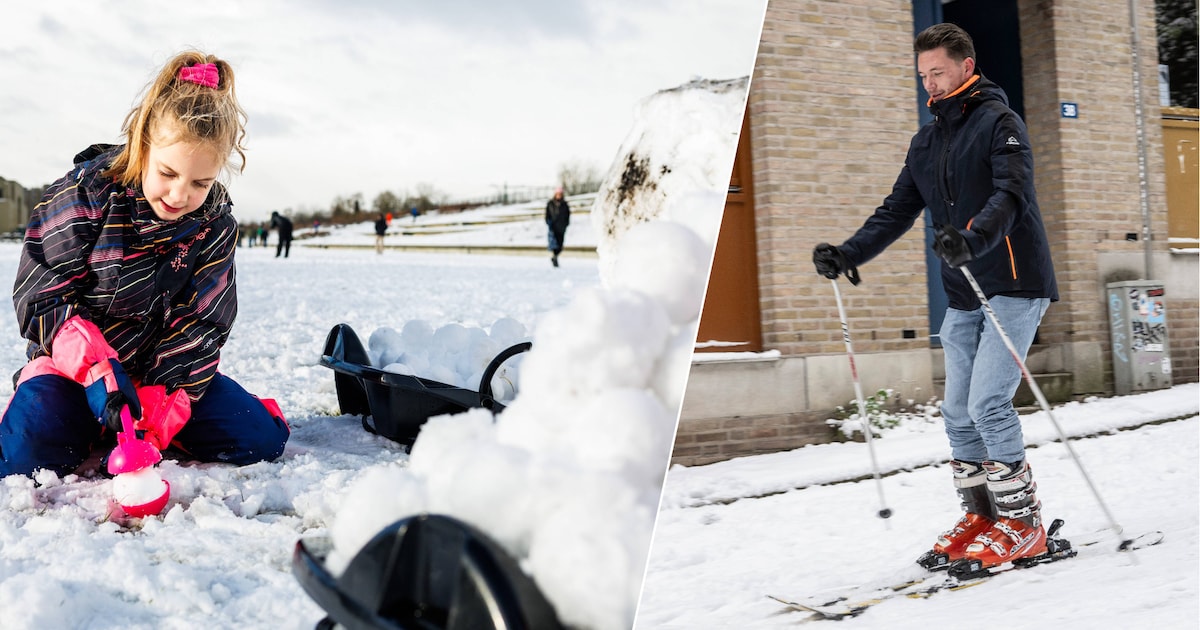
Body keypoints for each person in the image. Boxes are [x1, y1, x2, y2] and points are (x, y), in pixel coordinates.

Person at [812, 23, 1058, 571]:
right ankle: (984, 516)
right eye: (923, 74)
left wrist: (973, 238)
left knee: (987, 402)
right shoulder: (927, 140)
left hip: (1015, 282)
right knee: (956, 410)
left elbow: (1011, 195)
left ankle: (1024, 525)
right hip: (964, 292)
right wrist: (848, 253)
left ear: (966, 67)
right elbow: (898, 208)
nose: (929, 82)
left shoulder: (1001, 122)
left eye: (938, 71)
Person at [0, 51, 290, 479]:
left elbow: (204, 322)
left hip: (161, 378)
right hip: (75, 373)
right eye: (168, 172)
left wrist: (158, 409)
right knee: (25, 455)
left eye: (200, 183)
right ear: (142, 143)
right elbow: (42, 297)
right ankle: (79, 419)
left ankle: (127, 424)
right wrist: (101, 374)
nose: (179, 194)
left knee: (259, 440)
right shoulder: (86, 195)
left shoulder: (214, 226)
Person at [545, 188, 570, 267]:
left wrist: (566, 223)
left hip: (562, 227)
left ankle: (554, 257)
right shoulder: (550, 203)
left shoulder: (565, 204)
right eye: (557, 194)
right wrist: (548, 222)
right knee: (554, 244)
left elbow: (568, 215)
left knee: (560, 245)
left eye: (560, 194)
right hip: (553, 226)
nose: (559, 195)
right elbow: (547, 214)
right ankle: (554, 258)